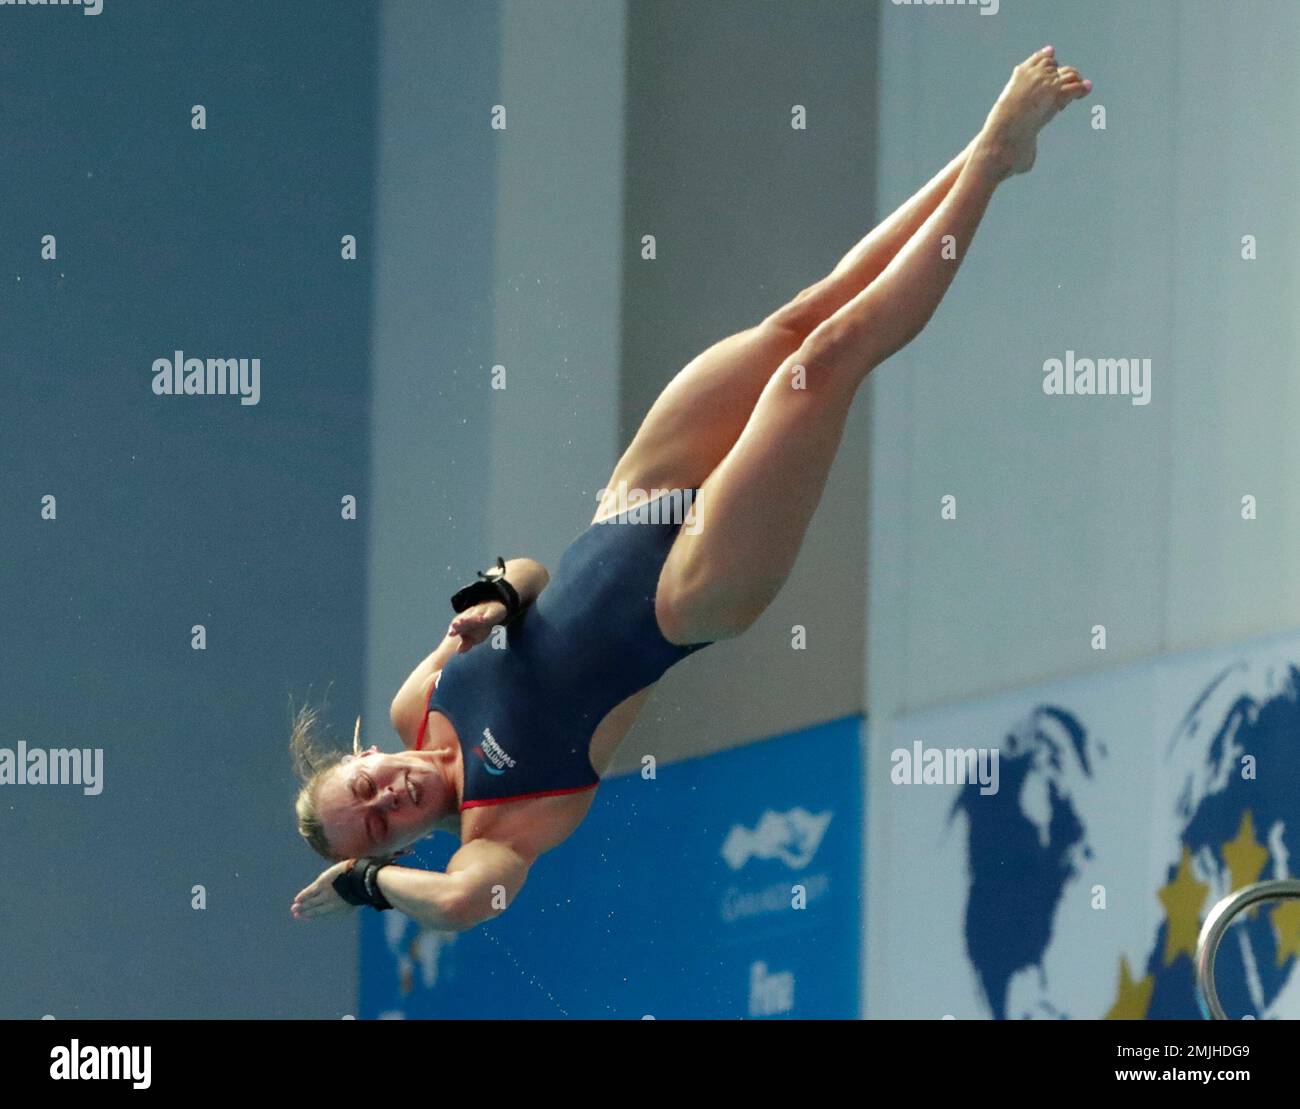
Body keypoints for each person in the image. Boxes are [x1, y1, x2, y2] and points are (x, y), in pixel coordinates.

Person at [290, 47, 1090, 930]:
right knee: (821, 366)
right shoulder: (500, 830)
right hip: (691, 590)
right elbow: (464, 904)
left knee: (800, 315)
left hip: (628, 504)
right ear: (392, 848)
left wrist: (489, 597)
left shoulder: (418, 703)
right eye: (377, 826)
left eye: (363, 785)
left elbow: (527, 571)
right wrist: (367, 886)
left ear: (365, 751)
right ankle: (992, 158)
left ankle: (992, 148)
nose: (386, 797)